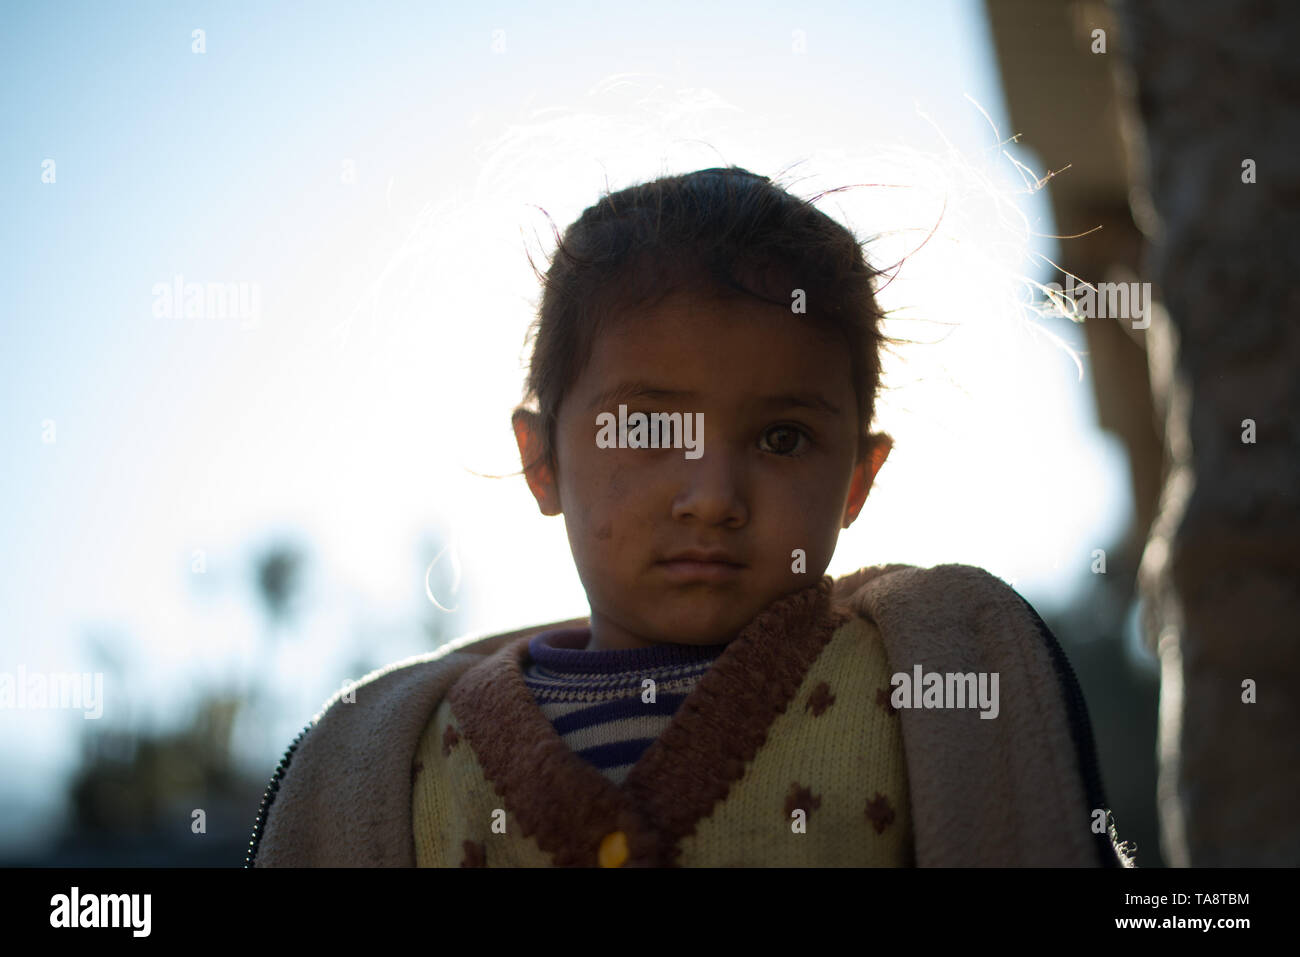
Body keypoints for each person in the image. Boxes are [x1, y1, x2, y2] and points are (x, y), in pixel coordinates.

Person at [246, 166, 1134, 867]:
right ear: (542, 459)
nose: (713, 495)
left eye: (782, 438)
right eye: (647, 427)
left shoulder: (921, 691)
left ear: (859, 479)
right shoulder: (408, 758)